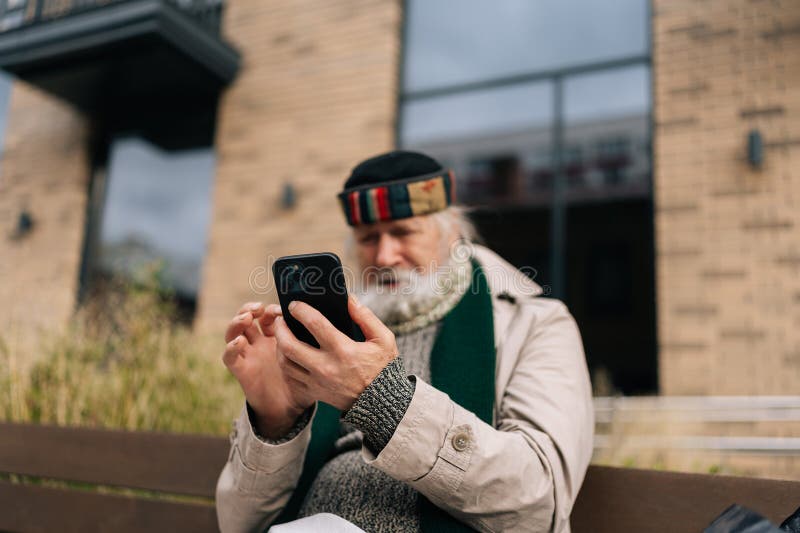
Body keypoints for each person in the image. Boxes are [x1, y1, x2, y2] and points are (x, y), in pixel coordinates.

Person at [216, 151, 594, 532]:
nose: (384, 256)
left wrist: (384, 401)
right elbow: (236, 525)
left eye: (403, 232)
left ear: (452, 234)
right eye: (368, 238)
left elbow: (540, 502)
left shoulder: (536, 323)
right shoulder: (335, 337)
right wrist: (276, 422)